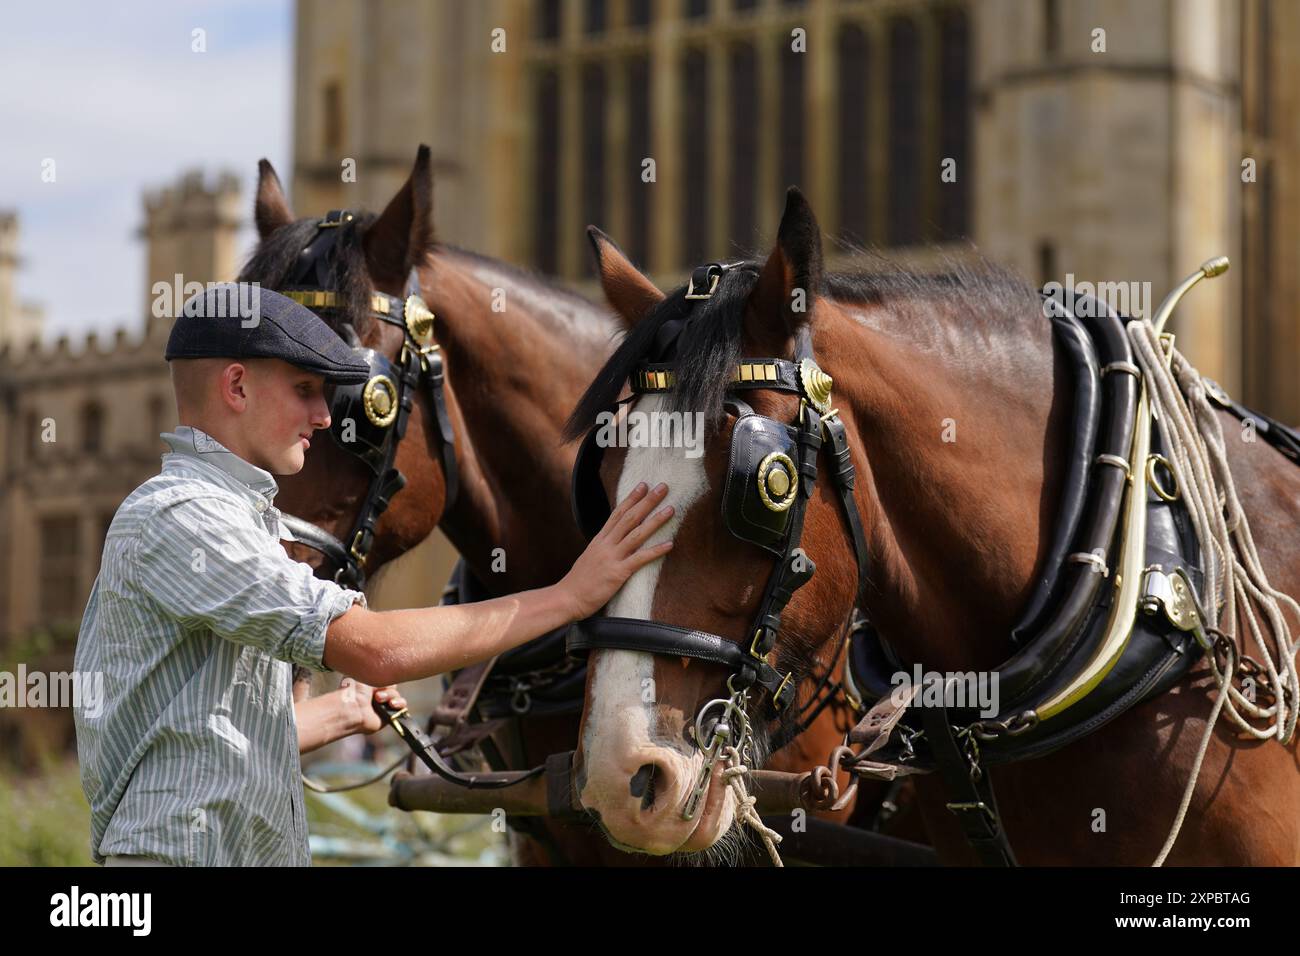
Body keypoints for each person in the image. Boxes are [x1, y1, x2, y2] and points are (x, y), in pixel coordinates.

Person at [73, 284, 672, 866]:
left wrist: (339, 716)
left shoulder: (235, 518)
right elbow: (371, 648)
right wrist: (570, 595)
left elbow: (204, 733)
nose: (323, 416)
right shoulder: (183, 514)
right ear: (236, 386)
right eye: (306, 390)